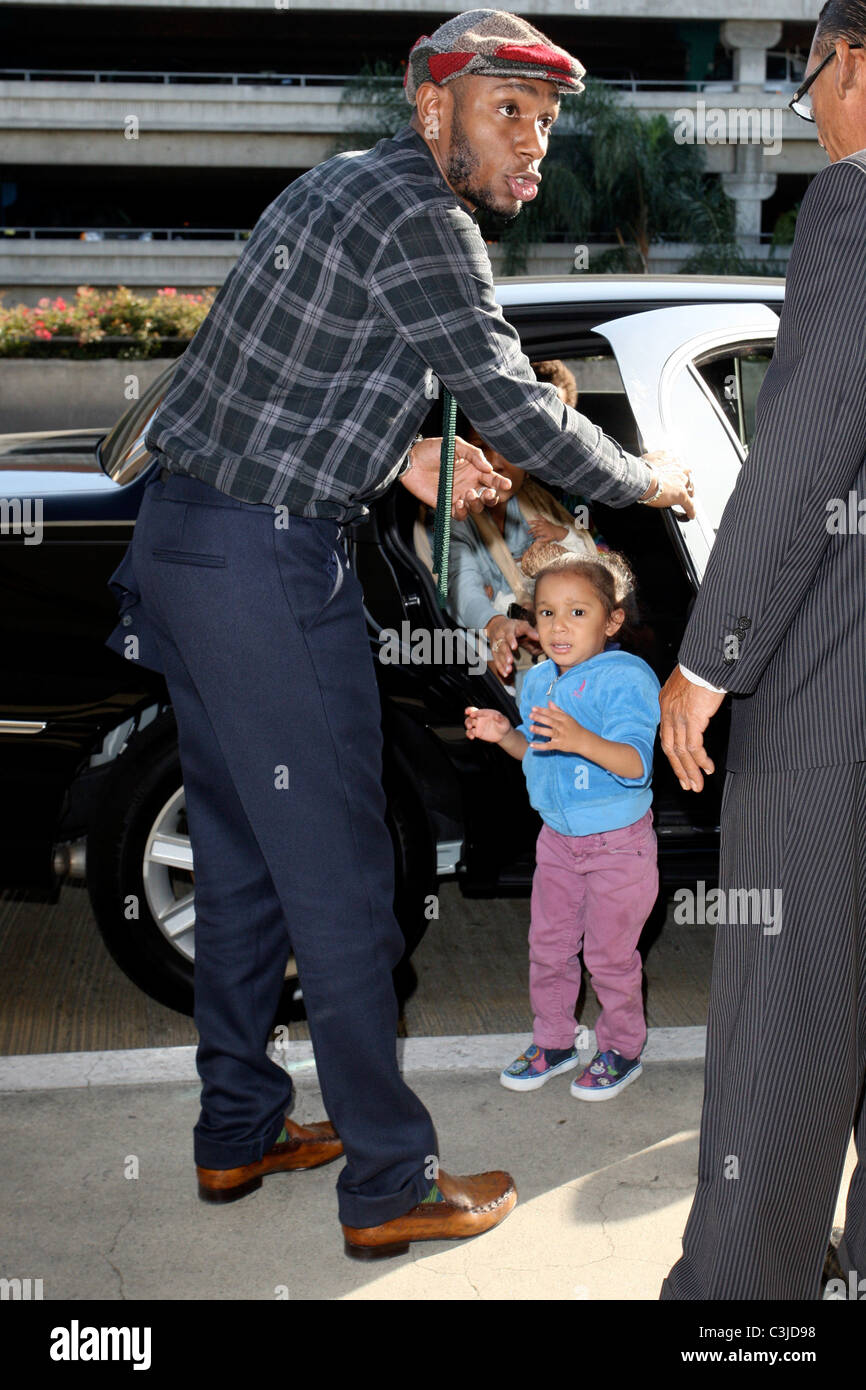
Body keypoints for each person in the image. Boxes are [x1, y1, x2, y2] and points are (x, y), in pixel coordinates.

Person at [105, 9, 693, 1260]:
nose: (530, 139)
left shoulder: (340, 189)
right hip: (264, 564)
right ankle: (387, 1181)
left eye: (542, 118)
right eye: (504, 110)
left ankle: (238, 1126)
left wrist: (399, 452)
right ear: (433, 107)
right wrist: (648, 482)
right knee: (350, 879)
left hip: (187, 547)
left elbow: (281, 377)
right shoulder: (431, 219)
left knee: (243, 856)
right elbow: (520, 414)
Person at [657, 0, 866, 1299]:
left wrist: (705, 658)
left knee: (783, 1043)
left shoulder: (853, 214)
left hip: (833, 709)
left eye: (811, 77)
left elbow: (800, 455)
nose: (807, 108)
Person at [464, 551, 660, 1098]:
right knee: (548, 945)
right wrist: (505, 734)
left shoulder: (624, 677)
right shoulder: (537, 681)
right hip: (556, 841)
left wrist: (581, 739)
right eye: (546, 613)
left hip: (618, 847)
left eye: (577, 612)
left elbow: (636, 763)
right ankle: (554, 1039)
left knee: (609, 956)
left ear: (612, 619)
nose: (558, 626)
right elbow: (539, 754)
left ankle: (621, 1048)